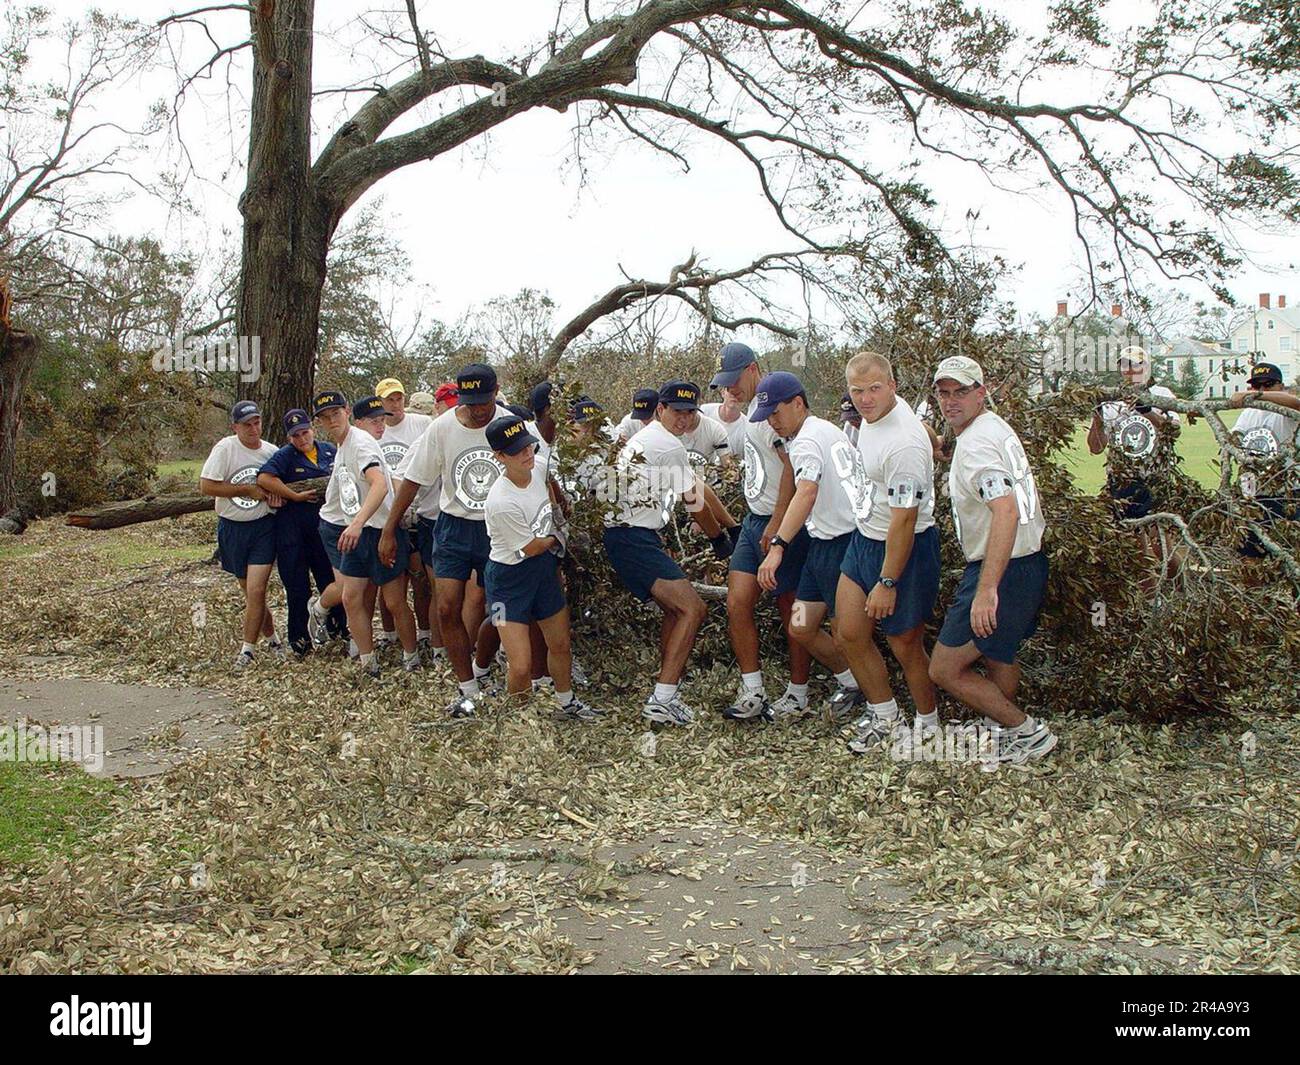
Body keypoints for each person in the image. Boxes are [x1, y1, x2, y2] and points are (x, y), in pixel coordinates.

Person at [927, 355, 1057, 766]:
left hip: (1002, 566)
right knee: (1000, 651)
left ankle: (1026, 732)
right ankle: (1009, 734)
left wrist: (986, 589)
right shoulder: (992, 429)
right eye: (944, 393)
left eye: (961, 392)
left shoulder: (976, 444)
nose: (951, 401)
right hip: (1026, 560)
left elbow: (1005, 509)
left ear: (982, 393)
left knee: (945, 669)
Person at [604, 381, 734, 725]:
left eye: (690, 412)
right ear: (660, 409)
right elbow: (694, 501)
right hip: (632, 539)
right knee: (694, 609)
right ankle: (662, 699)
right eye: (677, 411)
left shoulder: (651, 439)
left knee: (675, 612)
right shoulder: (666, 446)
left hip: (631, 536)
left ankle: (667, 685)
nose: (684, 418)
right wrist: (718, 540)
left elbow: (696, 486)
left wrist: (730, 525)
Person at [382, 363, 508, 715]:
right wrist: (390, 528)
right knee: (446, 606)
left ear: (496, 392)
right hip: (453, 526)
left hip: (497, 528)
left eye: (484, 401)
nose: (478, 409)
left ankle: (483, 666)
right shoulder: (442, 428)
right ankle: (467, 688)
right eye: (470, 402)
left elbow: (536, 471)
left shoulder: (511, 425)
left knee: (501, 609)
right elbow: (413, 479)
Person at [832, 353, 942, 753]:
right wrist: (939, 442)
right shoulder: (881, 415)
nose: (865, 398)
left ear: (892, 387)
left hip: (905, 548)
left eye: (874, 389)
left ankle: (929, 725)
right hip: (865, 538)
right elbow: (923, 425)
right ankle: (886, 716)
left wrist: (887, 581)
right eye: (857, 391)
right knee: (848, 631)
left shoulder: (904, 446)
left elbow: (905, 522)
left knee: (904, 644)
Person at [709, 343, 819, 721]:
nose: (730, 390)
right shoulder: (747, 416)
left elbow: (792, 467)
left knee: (793, 609)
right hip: (753, 520)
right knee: (738, 601)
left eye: (734, 380)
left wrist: (777, 521)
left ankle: (798, 691)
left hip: (783, 523)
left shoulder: (775, 407)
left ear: (752, 369)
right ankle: (752, 688)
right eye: (724, 384)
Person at [753, 371, 868, 720]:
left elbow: (806, 490)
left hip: (843, 544)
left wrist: (777, 546)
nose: (773, 421)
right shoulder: (820, 429)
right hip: (821, 546)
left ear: (798, 404)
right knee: (800, 625)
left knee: (845, 630)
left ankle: (875, 700)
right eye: (767, 415)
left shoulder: (806, 441)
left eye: (777, 412)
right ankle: (851, 683)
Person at [483, 414, 603, 720]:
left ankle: (567, 702)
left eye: (529, 447)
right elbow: (531, 546)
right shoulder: (500, 501)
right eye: (517, 451)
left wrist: (558, 510)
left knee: (560, 642)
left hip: (543, 572)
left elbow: (549, 485)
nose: (527, 455)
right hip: (506, 580)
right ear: (499, 457)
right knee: (520, 664)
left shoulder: (537, 469)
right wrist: (560, 535)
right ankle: (518, 717)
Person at [319, 394, 420, 678]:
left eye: (336, 414)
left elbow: (379, 486)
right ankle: (368, 662)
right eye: (326, 417)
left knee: (394, 601)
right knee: (352, 598)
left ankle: (411, 656)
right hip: (355, 531)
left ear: (347, 413)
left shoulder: (362, 444)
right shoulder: (343, 447)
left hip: (378, 531)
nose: (332, 421)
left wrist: (357, 524)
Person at [199, 400, 285, 671]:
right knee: (251, 595)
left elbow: (279, 486)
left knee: (257, 589)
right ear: (235, 426)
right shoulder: (226, 449)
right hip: (232, 527)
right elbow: (207, 486)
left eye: (256, 422)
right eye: (246, 424)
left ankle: (247, 651)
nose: (253, 428)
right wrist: (245, 491)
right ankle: (272, 639)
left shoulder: (271, 452)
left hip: (263, 527)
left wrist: (276, 498)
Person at [256, 408, 346, 656]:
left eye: (305, 432)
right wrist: (293, 495)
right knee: (297, 587)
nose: (302, 439)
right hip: (292, 532)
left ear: (312, 429)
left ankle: (339, 631)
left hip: (324, 530)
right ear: (289, 438)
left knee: (330, 581)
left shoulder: (329, 450)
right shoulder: (285, 456)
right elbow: (264, 478)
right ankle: (299, 641)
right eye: (296, 435)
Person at [1087, 347, 1180, 577]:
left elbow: (1173, 432)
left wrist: (1146, 410)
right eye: (1125, 365)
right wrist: (1097, 418)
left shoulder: (1162, 394)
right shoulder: (1112, 400)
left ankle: (1180, 591)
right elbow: (1095, 448)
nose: (1130, 371)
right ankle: (1147, 606)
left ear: (1146, 367)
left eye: (1136, 365)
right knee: (1136, 551)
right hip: (1123, 482)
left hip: (1156, 478)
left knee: (1162, 547)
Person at [375, 378, 435, 655]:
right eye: (389, 400)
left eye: (398, 398)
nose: (395, 404)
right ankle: (390, 635)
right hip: (388, 514)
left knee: (421, 577)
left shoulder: (421, 425)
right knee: (389, 581)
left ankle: (425, 632)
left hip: (420, 513)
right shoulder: (374, 431)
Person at [1229, 361, 1300, 560]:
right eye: (1256, 386)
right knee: (1250, 555)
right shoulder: (1248, 413)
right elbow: (1234, 439)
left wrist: (1253, 396)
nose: (1260, 390)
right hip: (1253, 493)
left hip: (1286, 492)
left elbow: (1296, 403)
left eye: (1268, 385)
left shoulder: (1287, 413)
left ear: (1280, 386)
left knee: (1289, 554)